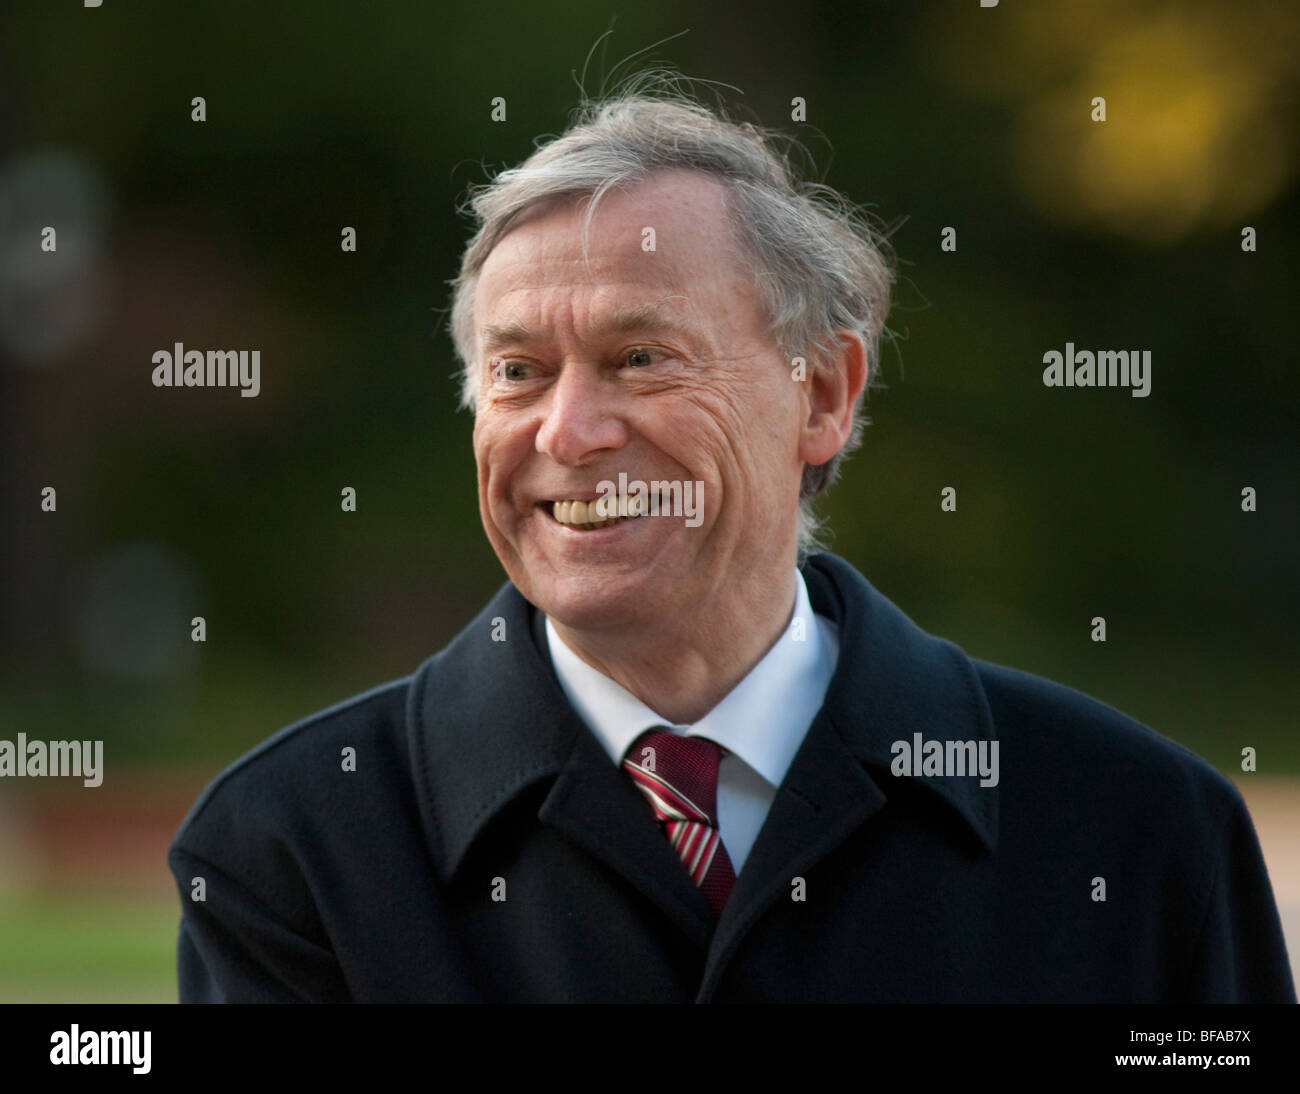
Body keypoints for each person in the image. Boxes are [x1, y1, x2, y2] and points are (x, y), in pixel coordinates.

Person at [168, 79, 1295, 1003]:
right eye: (517, 373)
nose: (566, 429)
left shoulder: (1138, 833)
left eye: (641, 357)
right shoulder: (292, 850)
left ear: (823, 395)